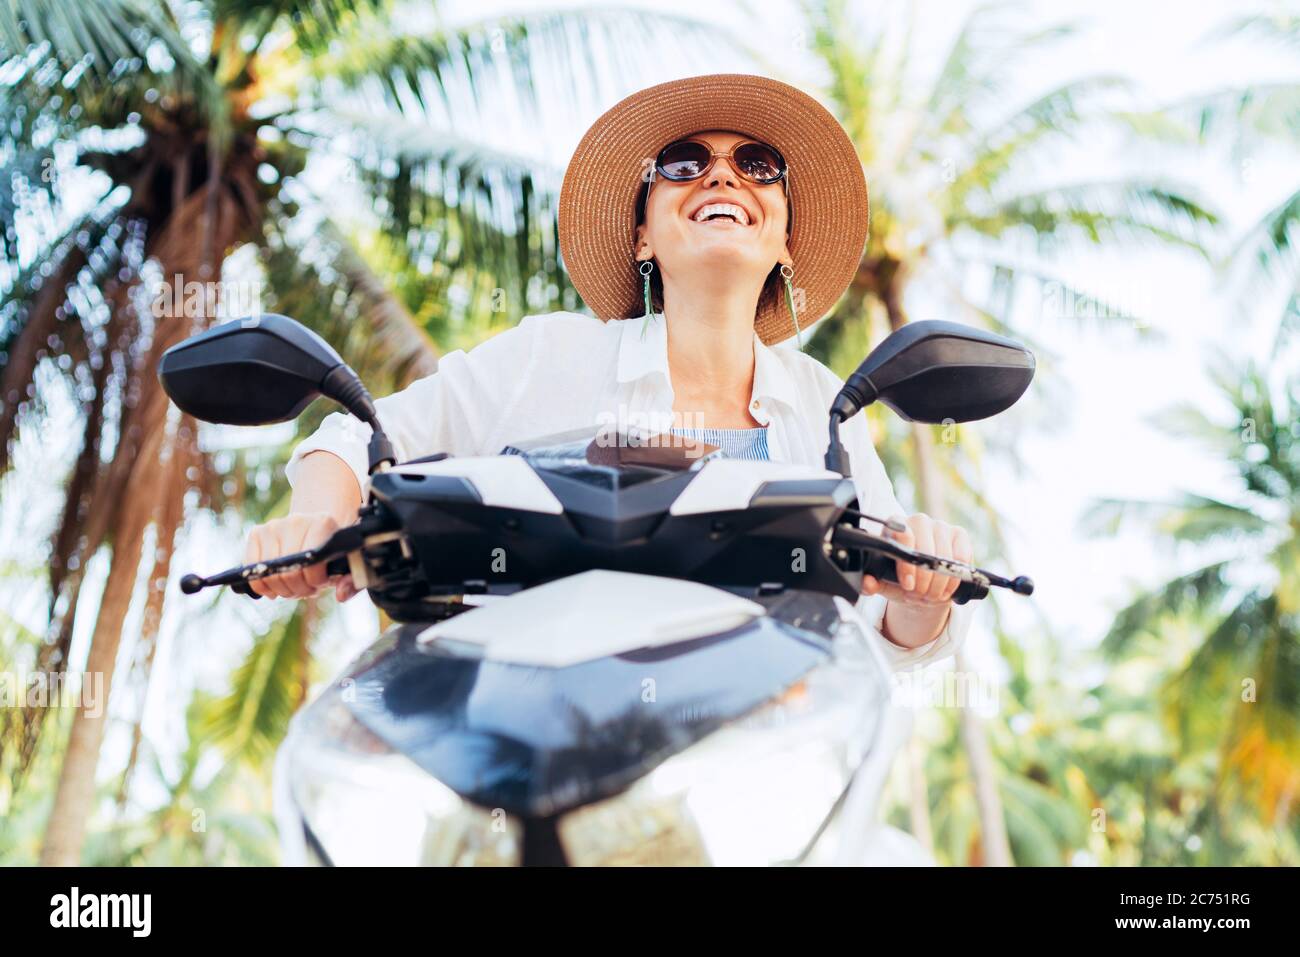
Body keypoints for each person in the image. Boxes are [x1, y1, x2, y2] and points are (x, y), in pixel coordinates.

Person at [245, 73, 975, 666]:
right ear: (642, 236)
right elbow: (354, 438)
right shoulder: (548, 356)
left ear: (785, 238)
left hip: (761, 775)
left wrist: (923, 592)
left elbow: (887, 634)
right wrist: (315, 521)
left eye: (758, 166)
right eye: (685, 165)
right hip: (551, 758)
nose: (723, 177)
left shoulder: (826, 407)